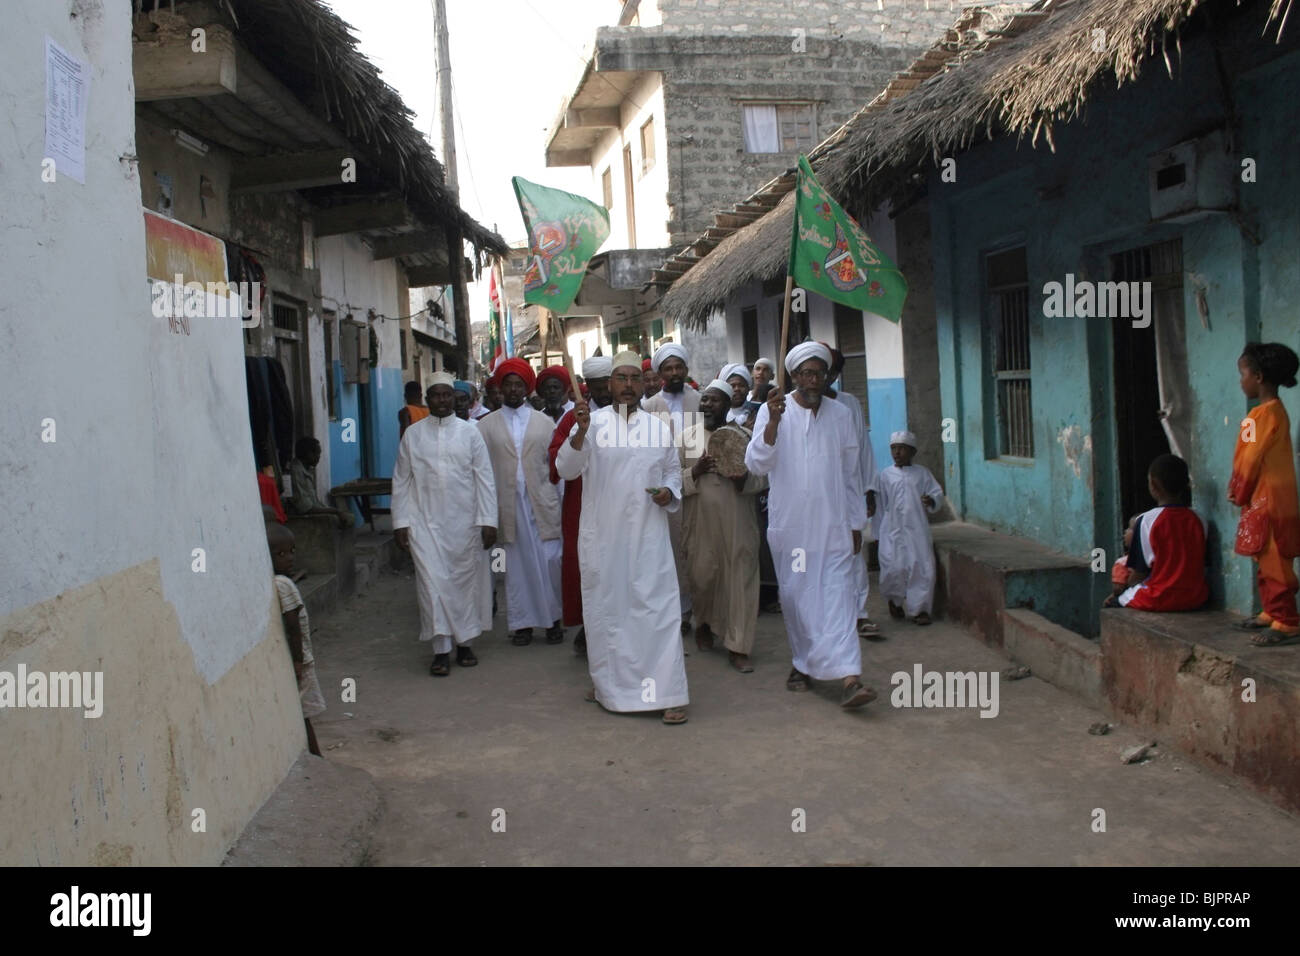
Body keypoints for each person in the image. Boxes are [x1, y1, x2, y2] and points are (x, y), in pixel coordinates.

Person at [556, 351, 689, 724]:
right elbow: (565, 470)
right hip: (604, 539)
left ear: (644, 383)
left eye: (634, 378)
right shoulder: (591, 423)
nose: (628, 385)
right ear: (608, 385)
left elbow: (673, 473)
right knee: (608, 613)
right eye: (621, 378)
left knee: (657, 611)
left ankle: (668, 693)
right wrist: (579, 433)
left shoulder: (658, 427)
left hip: (649, 539)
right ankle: (610, 688)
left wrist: (668, 493)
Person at [745, 341, 875, 708]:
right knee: (797, 598)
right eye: (805, 373)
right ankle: (803, 663)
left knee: (838, 598)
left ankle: (850, 677)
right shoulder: (775, 411)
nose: (813, 379)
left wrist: (855, 523)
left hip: (834, 527)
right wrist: (771, 421)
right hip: (792, 529)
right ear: (794, 377)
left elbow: (851, 474)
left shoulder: (841, 415)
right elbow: (757, 464)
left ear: (826, 376)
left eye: (819, 372)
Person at [392, 375, 498, 675]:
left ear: (454, 398)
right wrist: (401, 522)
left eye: (446, 395)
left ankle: (464, 644)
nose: (441, 400)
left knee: (463, 585)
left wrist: (488, 520)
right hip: (423, 523)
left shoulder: (470, 434)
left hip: (464, 524)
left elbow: (484, 479)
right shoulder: (413, 435)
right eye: (435, 395)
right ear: (427, 398)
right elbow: (401, 480)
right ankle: (440, 650)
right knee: (431, 587)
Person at [478, 358, 565, 646]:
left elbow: (556, 465)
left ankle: (553, 620)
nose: (514, 390)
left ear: (527, 388)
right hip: (507, 506)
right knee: (515, 567)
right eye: (508, 385)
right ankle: (523, 624)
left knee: (549, 561)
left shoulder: (544, 422)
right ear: (500, 388)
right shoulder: (485, 426)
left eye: (519, 385)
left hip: (541, 502)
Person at [680, 379, 765, 673]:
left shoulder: (745, 437)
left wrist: (741, 478)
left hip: (737, 522)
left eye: (714, 400)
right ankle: (703, 621)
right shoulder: (686, 438)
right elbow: (670, 480)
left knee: (740, 579)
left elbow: (763, 478)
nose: (707, 405)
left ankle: (738, 645)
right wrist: (696, 470)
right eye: (704, 400)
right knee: (703, 577)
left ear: (728, 405)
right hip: (700, 522)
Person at [1229, 342, 1300, 644]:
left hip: (1269, 502)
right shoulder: (1260, 414)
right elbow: (1244, 454)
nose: (1240, 380)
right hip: (1261, 500)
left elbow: (1250, 459)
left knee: (1274, 561)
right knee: (1263, 557)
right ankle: (1270, 611)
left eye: (1243, 374)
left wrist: (1238, 491)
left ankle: (1287, 621)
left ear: (1258, 377)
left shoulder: (1266, 416)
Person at [548, 356, 614, 658]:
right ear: (587, 388)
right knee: (586, 566)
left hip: (619, 503)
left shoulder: (629, 415)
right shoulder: (573, 417)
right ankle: (590, 628)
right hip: (582, 503)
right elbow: (556, 461)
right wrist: (579, 431)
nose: (603, 392)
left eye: (607, 385)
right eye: (597, 387)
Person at [822, 346, 882, 638]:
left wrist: (869, 489)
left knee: (854, 552)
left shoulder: (849, 404)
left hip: (848, 493)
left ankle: (859, 614)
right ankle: (829, 615)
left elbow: (863, 448)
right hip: (814, 497)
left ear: (834, 374)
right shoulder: (793, 407)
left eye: (826, 369)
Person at [642, 343, 702, 635]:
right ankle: (680, 611)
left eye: (679, 367)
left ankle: (702, 609)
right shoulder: (649, 406)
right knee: (673, 550)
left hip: (700, 484)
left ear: (686, 369)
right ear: (660, 373)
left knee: (699, 548)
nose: (675, 372)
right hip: (667, 488)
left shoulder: (701, 400)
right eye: (669, 368)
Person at [1104, 454, 1208, 611]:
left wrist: (1122, 590)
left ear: (1153, 485)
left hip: (1159, 598)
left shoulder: (1146, 520)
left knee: (1112, 604)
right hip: (1196, 597)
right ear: (1186, 484)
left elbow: (1138, 574)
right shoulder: (1199, 519)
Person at [869, 431, 943, 625]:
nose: (897, 452)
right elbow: (880, 506)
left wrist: (931, 500)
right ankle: (894, 600)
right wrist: (877, 533)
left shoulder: (923, 474)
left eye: (902, 448)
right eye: (894, 448)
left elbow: (937, 493)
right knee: (892, 567)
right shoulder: (885, 476)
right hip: (891, 529)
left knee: (921, 566)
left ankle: (920, 610)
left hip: (916, 529)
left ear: (912, 452)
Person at [267, 522, 326, 756]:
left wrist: (299, 661)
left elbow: (293, 625)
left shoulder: (281, 584)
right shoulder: (281, 584)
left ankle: (315, 754)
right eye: (281, 554)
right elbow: (292, 627)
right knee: (303, 715)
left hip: (302, 659)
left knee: (304, 714)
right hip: (301, 659)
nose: (289, 558)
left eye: (292, 551)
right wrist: (298, 661)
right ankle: (314, 754)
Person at [287, 437, 354, 528]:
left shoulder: (307, 469)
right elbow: (305, 508)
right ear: (309, 454)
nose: (319, 457)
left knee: (348, 517)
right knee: (342, 519)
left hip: (313, 512)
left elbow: (315, 503)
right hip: (303, 517)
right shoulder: (296, 471)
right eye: (317, 453)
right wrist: (335, 511)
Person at [719, 363, 754, 427]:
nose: (737, 389)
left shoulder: (755, 413)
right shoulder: (718, 414)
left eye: (741, 385)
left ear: (748, 388)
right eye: (732, 386)